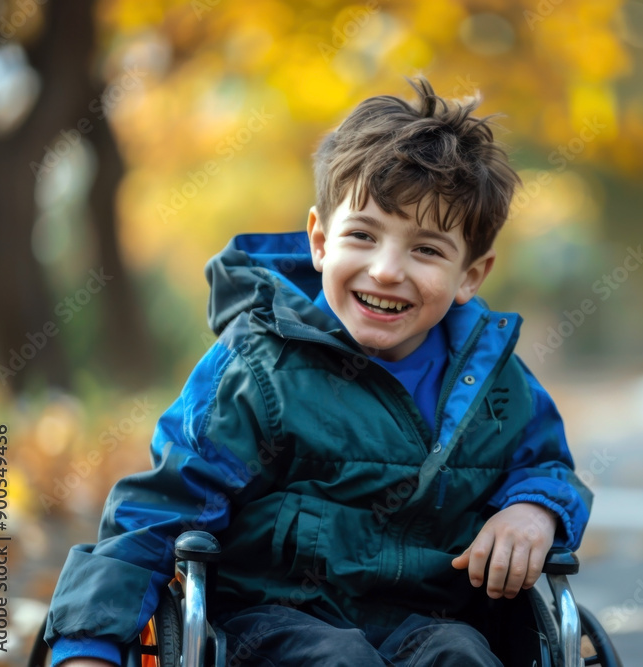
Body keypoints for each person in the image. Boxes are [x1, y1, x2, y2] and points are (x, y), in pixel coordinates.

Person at [45, 76, 592, 667]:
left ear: (470, 276)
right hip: (273, 621)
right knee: (337, 660)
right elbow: (158, 509)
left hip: (433, 620)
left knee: (462, 654)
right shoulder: (258, 368)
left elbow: (546, 465)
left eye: (426, 249)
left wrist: (535, 508)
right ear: (320, 241)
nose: (385, 271)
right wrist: (89, 644)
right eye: (362, 236)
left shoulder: (495, 382)